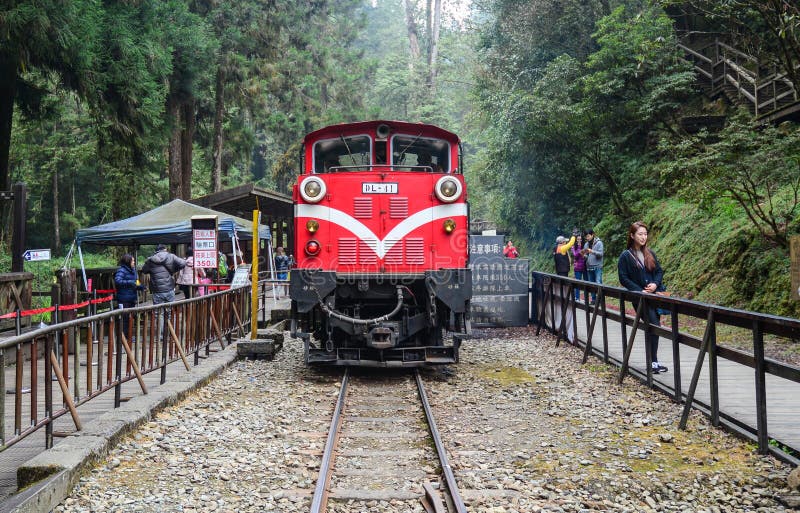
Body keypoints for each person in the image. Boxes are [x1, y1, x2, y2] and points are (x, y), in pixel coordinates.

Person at [618, 221, 667, 374]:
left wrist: (654, 284)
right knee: (653, 326)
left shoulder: (649, 253)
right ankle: (652, 362)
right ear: (632, 235)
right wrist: (639, 291)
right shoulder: (626, 256)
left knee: (654, 327)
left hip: (654, 296)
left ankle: (654, 362)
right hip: (640, 299)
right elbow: (623, 278)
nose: (643, 237)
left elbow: (659, 271)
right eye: (640, 234)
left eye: (645, 234)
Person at [114, 254, 144, 339]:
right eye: (133, 261)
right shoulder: (121, 270)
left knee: (130, 318)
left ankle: (129, 336)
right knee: (124, 319)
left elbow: (136, 281)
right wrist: (129, 282)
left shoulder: (133, 270)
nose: (134, 262)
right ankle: (123, 337)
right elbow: (118, 281)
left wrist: (140, 286)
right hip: (124, 299)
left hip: (131, 298)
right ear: (128, 261)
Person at [583, 228, 604, 303]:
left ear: (593, 235)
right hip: (589, 267)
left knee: (598, 283)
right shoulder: (586, 244)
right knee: (591, 284)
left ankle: (600, 299)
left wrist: (592, 251)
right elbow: (586, 256)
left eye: (588, 236)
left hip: (597, 266)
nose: (587, 238)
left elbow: (601, 254)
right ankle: (594, 299)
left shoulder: (599, 243)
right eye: (586, 236)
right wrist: (584, 255)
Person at [571, 233, 587, 301]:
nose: (579, 240)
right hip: (577, 267)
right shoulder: (573, 247)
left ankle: (587, 298)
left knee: (586, 283)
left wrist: (584, 252)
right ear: (576, 240)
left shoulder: (585, 246)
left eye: (580, 239)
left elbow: (586, 255)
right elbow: (575, 256)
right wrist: (580, 251)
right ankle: (577, 297)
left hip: (585, 267)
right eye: (578, 239)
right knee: (578, 283)